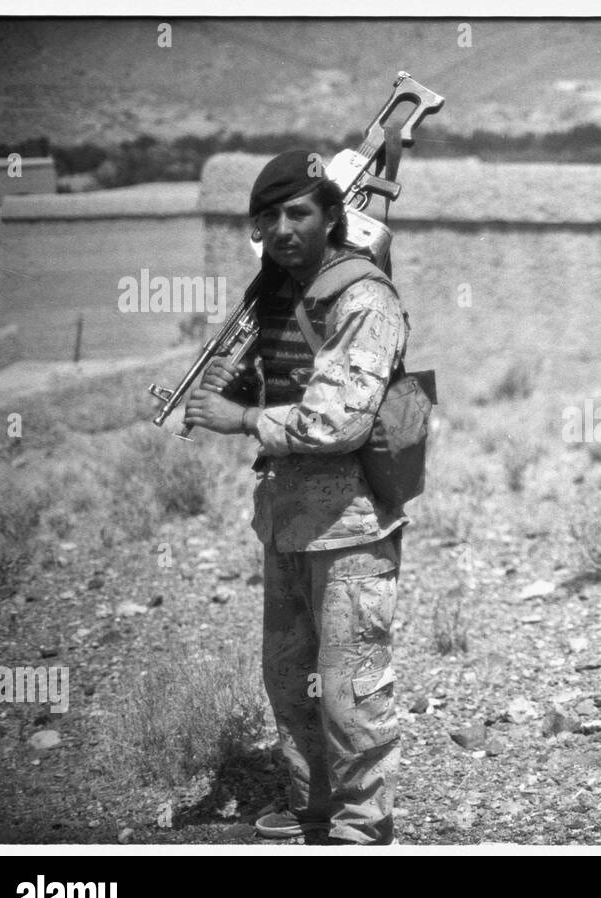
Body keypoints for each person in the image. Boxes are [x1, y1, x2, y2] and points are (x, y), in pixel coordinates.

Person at [184, 150, 410, 845]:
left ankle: (363, 823)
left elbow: (338, 420)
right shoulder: (279, 297)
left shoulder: (364, 298)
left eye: (297, 212)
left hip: (350, 523)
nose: (281, 228)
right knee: (290, 676)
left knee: (349, 685)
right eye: (267, 218)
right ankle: (313, 802)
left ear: (331, 216)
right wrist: (240, 387)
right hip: (286, 518)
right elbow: (290, 389)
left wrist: (242, 418)